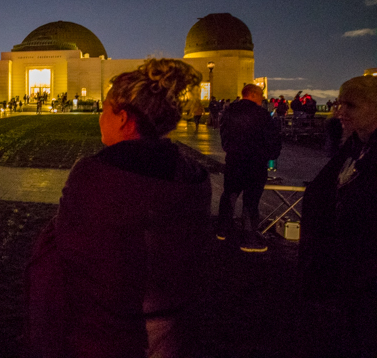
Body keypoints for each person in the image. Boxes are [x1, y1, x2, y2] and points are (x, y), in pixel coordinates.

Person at [27, 58, 211, 358]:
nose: (100, 118)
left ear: (124, 119)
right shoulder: (193, 179)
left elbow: (66, 251)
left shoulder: (95, 176)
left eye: (104, 110)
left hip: (104, 337)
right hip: (172, 335)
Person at [299, 76, 377, 356]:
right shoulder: (355, 145)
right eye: (338, 103)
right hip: (347, 267)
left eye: (351, 105)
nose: (339, 112)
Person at [217, 84, 282, 252]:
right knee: (251, 201)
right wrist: (271, 155)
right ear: (253, 95)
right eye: (260, 97)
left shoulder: (228, 111)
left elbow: (224, 136)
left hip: (233, 160)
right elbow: (272, 139)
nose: (261, 101)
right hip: (255, 163)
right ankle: (249, 238)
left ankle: (223, 229)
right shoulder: (262, 115)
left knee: (229, 195)